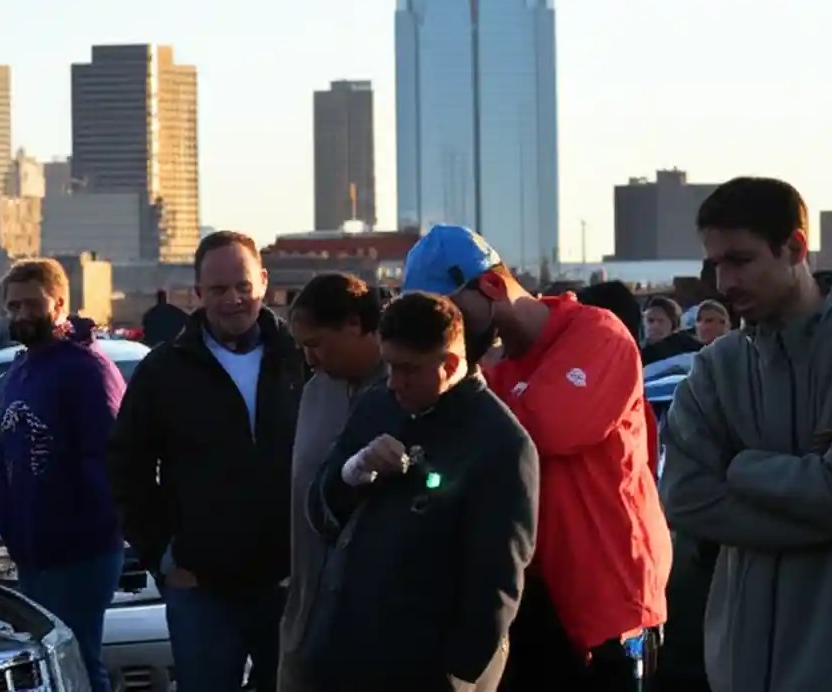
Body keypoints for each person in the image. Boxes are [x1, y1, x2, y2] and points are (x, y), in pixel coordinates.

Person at [661, 177, 832, 691]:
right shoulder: (716, 368)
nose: (723, 283)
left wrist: (743, 466)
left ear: (794, 248)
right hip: (743, 666)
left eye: (740, 261)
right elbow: (685, 497)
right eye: (715, 264)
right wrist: (817, 493)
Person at [402, 224, 670, 691]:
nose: (449, 331)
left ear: (490, 286)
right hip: (532, 604)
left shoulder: (599, 335)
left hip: (608, 605)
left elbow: (544, 430)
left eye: (453, 313)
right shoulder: (490, 371)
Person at [300, 292, 538, 692]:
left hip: (428, 669)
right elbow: (321, 509)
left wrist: (456, 673)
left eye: (407, 369)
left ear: (448, 364)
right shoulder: (380, 404)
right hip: (347, 652)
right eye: (388, 365)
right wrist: (352, 472)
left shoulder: (501, 444)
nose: (393, 381)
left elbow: (496, 580)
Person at [107, 231, 305, 692]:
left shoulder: (300, 358)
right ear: (198, 295)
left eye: (243, 286)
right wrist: (164, 555)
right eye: (218, 290)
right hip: (203, 591)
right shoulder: (164, 371)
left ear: (264, 283)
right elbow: (126, 467)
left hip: (292, 585)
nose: (233, 300)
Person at [0, 258, 126, 692]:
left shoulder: (88, 370)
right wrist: (6, 520)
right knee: (46, 668)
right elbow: (5, 454)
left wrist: (88, 530)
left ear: (60, 302)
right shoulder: (20, 369)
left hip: (80, 553)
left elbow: (111, 459)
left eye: (32, 304)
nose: (22, 314)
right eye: (13, 307)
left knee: (79, 662)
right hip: (32, 553)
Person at [277, 273, 387, 692]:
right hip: (307, 616)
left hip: (376, 630)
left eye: (316, 343)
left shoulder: (407, 394)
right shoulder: (315, 394)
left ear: (354, 326)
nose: (310, 359)